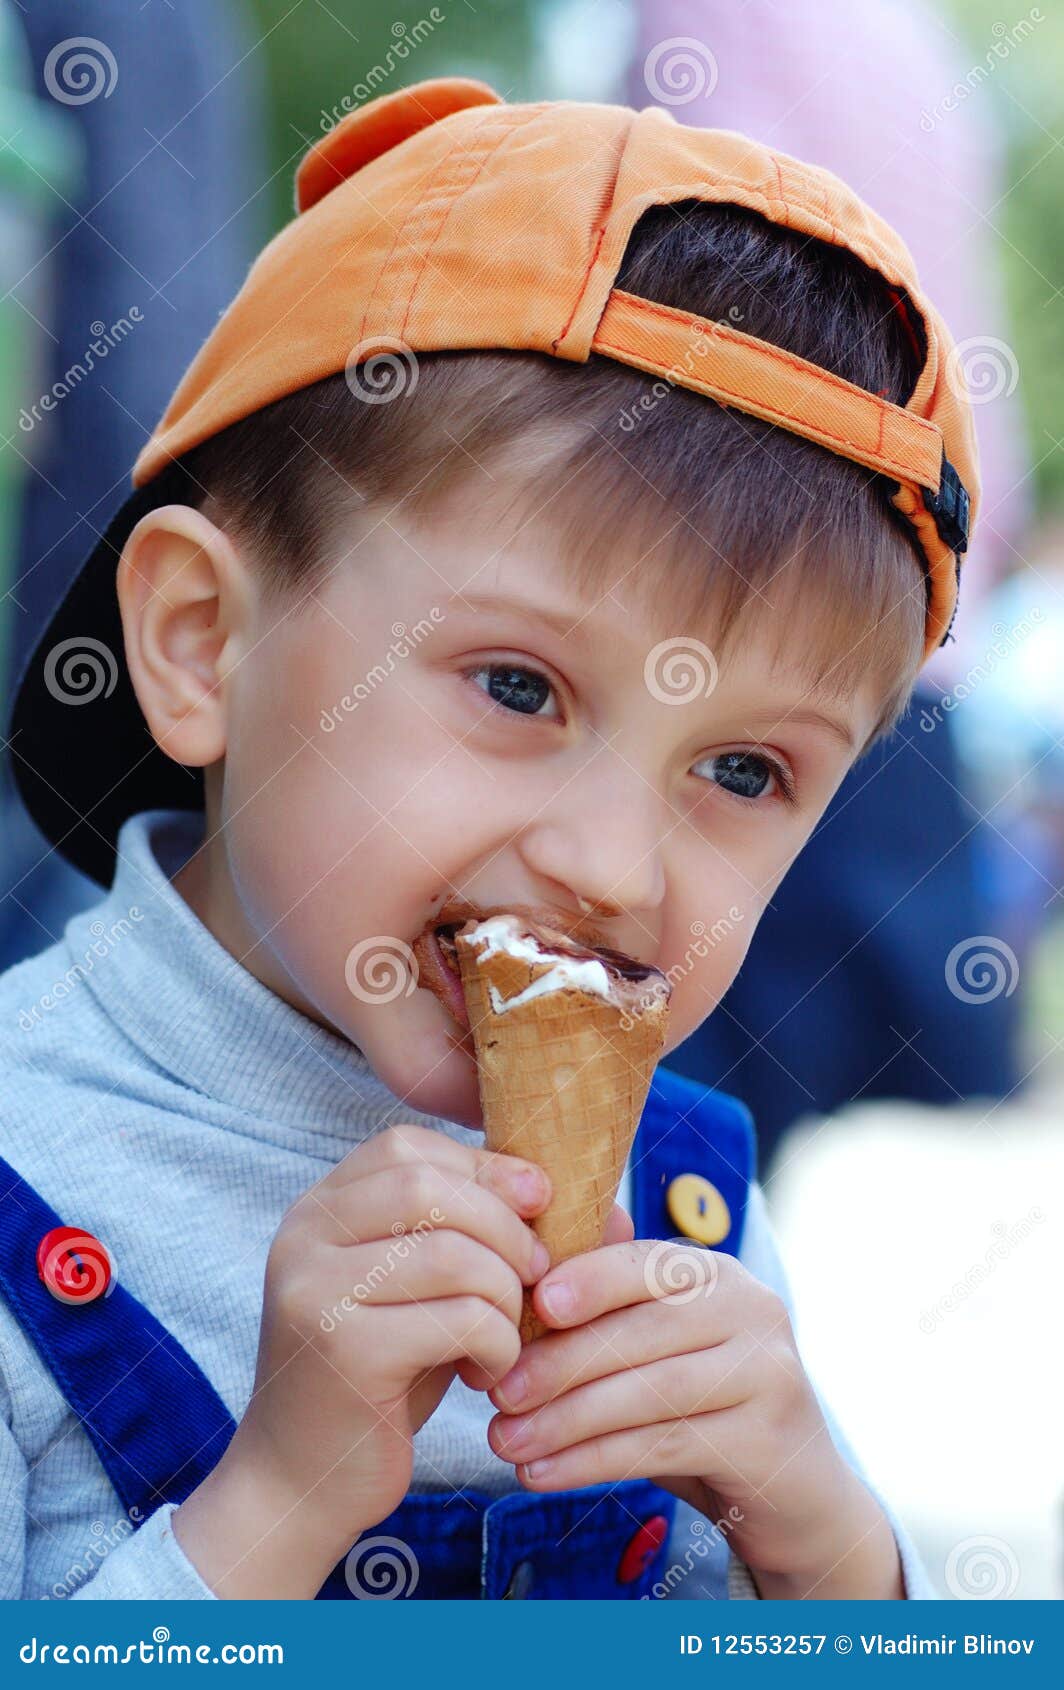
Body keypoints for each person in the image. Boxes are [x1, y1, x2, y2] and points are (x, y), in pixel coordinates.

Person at [0, 77, 980, 1601]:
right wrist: (272, 1504)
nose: (613, 867)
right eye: (519, 686)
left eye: (742, 768)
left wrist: (830, 1550)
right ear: (202, 642)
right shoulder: (27, 1157)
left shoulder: (693, 1208)